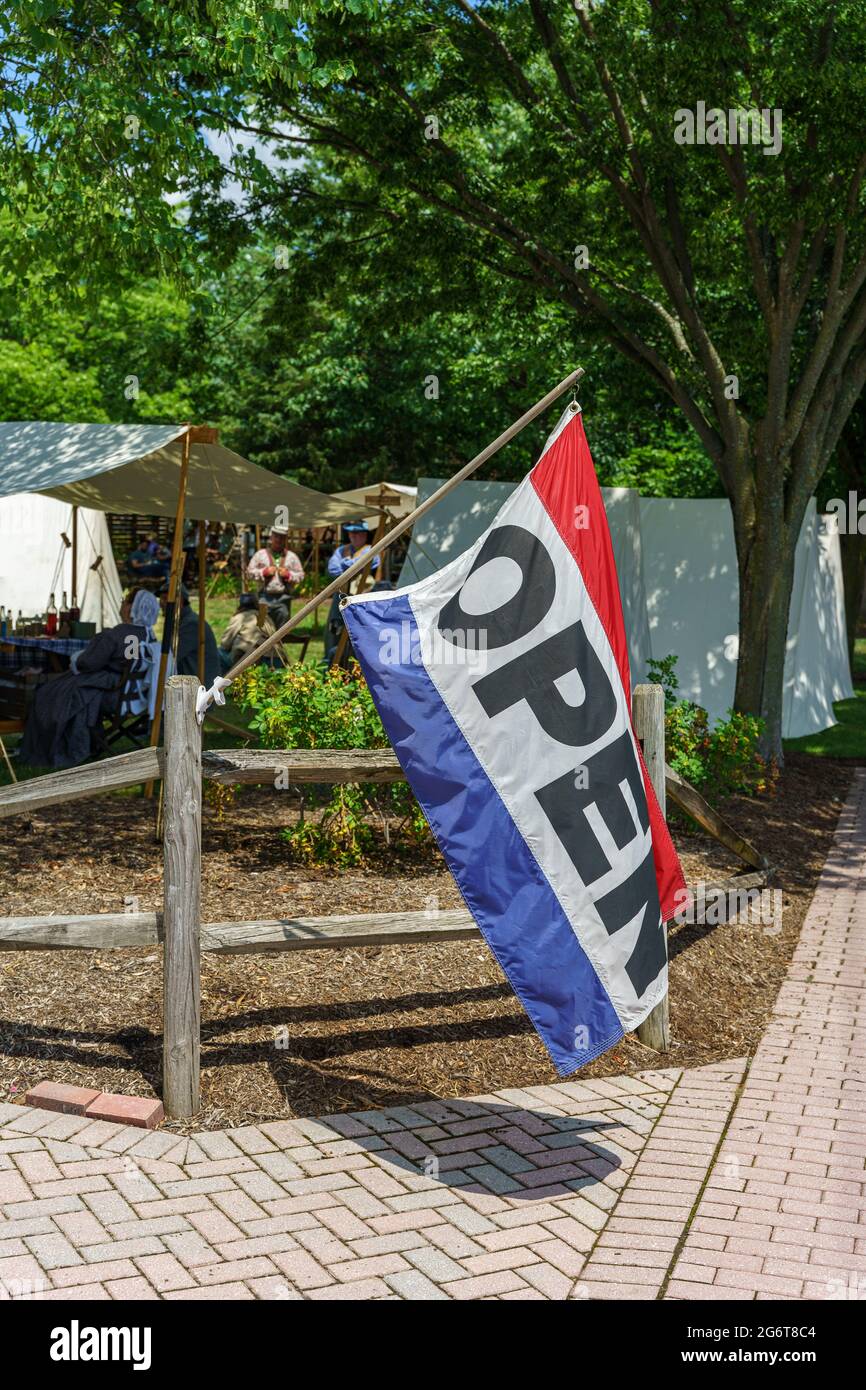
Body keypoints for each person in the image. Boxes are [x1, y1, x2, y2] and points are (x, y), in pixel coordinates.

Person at [19, 589, 161, 768]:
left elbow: (88, 663)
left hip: (114, 697)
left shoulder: (116, 634)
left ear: (131, 608)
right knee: (63, 688)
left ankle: (48, 744)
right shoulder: (148, 635)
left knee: (50, 692)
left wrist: (77, 659)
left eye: (124, 601)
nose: (122, 605)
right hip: (135, 696)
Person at [325, 522, 380, 664]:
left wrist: (345, 564)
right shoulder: (341, 550)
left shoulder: (371, 550)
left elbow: (365, 563)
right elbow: (332, 568)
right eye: (351, 533)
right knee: (335, 627)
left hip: (361, 598)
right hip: (341, 595)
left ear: (364, 535)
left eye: (357, 533)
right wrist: (351, 566)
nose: (353, 536)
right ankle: (333, 660)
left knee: (358, 631)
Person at [159, 582, 220, 688]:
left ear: (180, 601)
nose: (161, 603)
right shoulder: (180, 621)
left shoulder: (191, 624)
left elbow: (169, 656)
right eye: (161, 599)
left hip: (202, 690)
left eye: (165, 599)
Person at [247, 525, 304, 628]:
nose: (278, 539)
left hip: (283, 599)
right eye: (276, 536)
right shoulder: (260, 555)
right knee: (261, 626)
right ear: (271, 537)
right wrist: (263, 572)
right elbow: (249, 572)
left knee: (283, 627)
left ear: (285, 539)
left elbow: (301, 575)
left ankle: (280, 639)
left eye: (282, 537)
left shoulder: (292, 557)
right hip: (263, 597)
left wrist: (289, 575)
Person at [218, 593, 275, 674]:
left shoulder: (241, 617)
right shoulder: (265, 617)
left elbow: (225, 643)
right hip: (273, 658)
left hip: (246, 661)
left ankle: (223, 679)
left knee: (217, 653)